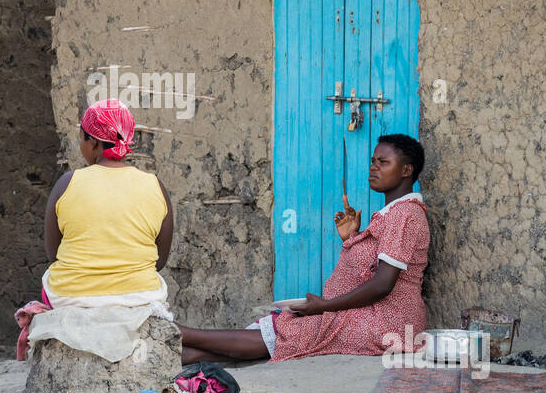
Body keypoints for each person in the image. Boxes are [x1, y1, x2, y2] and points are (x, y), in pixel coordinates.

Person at [178, 133, 429, 365]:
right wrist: (351, 238)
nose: (374, 167)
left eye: (383, 162)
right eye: (373, 161)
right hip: (376, 317)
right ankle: (180, 352)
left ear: (406, 170)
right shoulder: (393, 214)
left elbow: (383, 284)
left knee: (295, 329)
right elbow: (370, 264)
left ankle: (181, 334)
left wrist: (324, 307)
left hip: (388, 323)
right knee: (290, 328)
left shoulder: (404, 215)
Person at [27, 99, 175, 361]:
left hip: (72, 296)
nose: (81, 145)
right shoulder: (155, 185)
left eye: (82, 139)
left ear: (93, 143)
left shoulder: (67, 183)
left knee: (52, 277)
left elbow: (54, 256)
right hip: (138, 295)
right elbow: (159, 261)